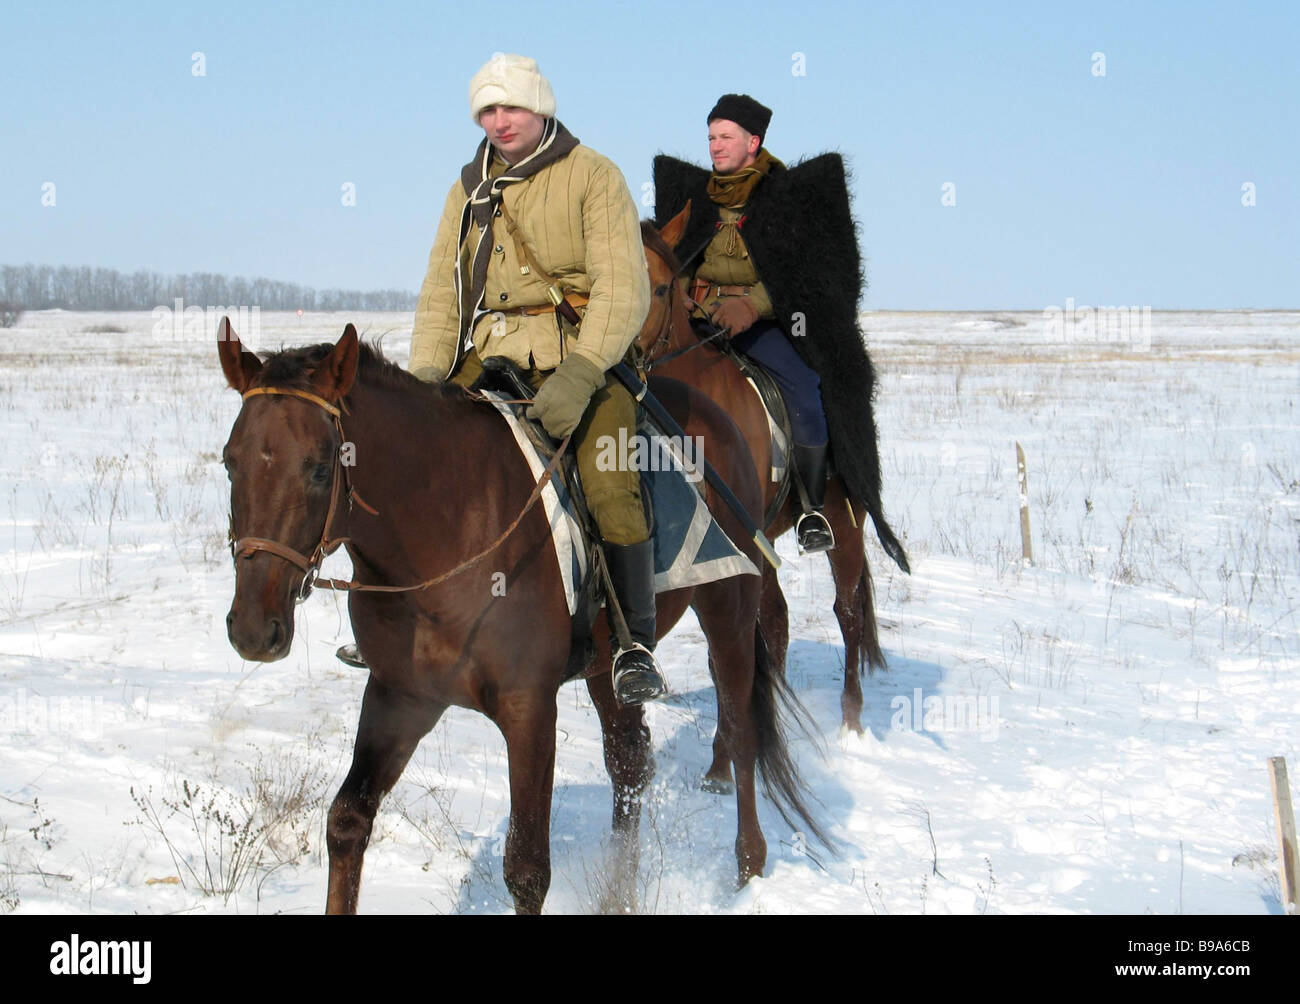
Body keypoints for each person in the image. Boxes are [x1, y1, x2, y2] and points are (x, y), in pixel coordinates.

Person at [407, 54, 664, 705]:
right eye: (487, 110)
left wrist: (583, 371)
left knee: (608, 476)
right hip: (490, 355)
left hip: (581, 355)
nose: (499, 121)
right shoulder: (468, 189)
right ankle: (407, 617)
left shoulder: (594, 175)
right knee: (416, 460)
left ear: (541, 107)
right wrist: (423, 385)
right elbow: (441, 295)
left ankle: (633, 643)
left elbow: (623, 288)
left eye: (511, 107)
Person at [652, 94, 909, 571]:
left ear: (754, 141)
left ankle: (811, 507)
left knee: (805, 389)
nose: (715, 145)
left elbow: (803, 274)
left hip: (766, 322)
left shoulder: (786, 198)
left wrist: (753, 305)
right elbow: (675, 258)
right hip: (700, 319)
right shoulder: (697, 198)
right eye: (711, 136)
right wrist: (685, 295)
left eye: (726, 136)